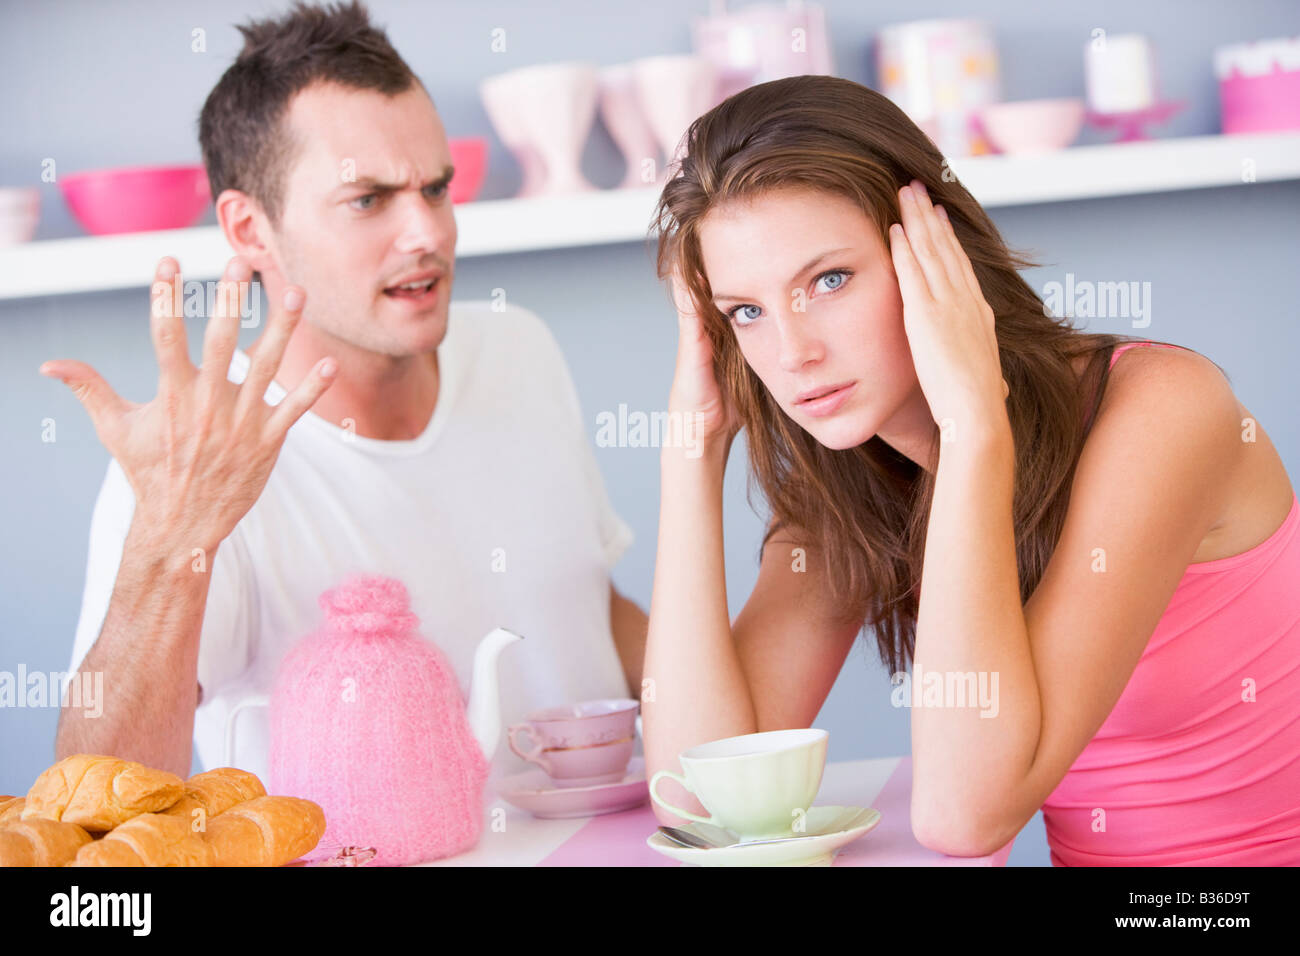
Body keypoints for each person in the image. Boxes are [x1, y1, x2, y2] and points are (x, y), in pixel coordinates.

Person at [642, 73, 1300, 865]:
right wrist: (691, 449)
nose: (792, 352)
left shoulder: (1164, 409)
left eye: (828, 280)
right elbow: (698, 800)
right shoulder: (850, 487)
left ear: (936, 253)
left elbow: (964, 817)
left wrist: (974, 426)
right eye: (746, 310)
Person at [44, 0, 647, 783]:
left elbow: (583, 608)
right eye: (368, 201)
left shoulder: (518, 346)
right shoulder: (189, 459)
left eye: (435, 188)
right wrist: (171, 541)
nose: (427, 233)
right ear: (250, 231)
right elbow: (99, 797)